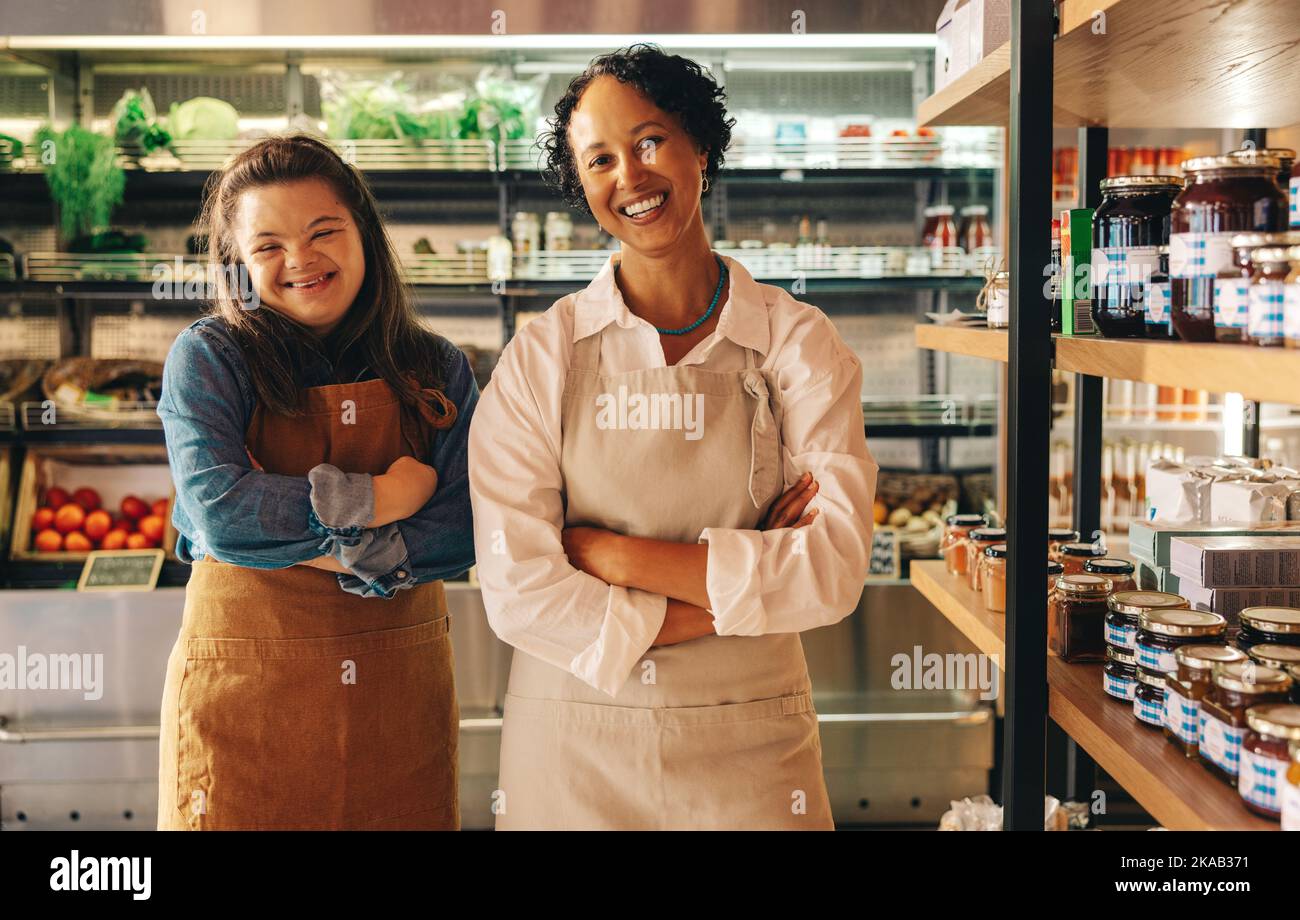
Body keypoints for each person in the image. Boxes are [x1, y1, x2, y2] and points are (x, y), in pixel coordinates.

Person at [469, 44, 878, 830]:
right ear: (583, 185)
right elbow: (519, 592)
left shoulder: (797, 342)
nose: (631, 176)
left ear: (699, 146)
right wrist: (737, 591)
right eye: (600, 160)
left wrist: (615, 557)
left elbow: (830, 570)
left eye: (650, 141)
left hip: (751, 744)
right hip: (574, 744)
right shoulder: (542, 356)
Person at [156, 134, 476, 830]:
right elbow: (220, 514)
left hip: (398, 706)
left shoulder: (436, 366)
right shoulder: (210, 357)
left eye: (323, 231)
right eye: (267, 245)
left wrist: (310, 536)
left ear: (364, 230)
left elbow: (465, 527)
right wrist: (382, 500)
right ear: (236, 264)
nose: (299, 259)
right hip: (244, 703)